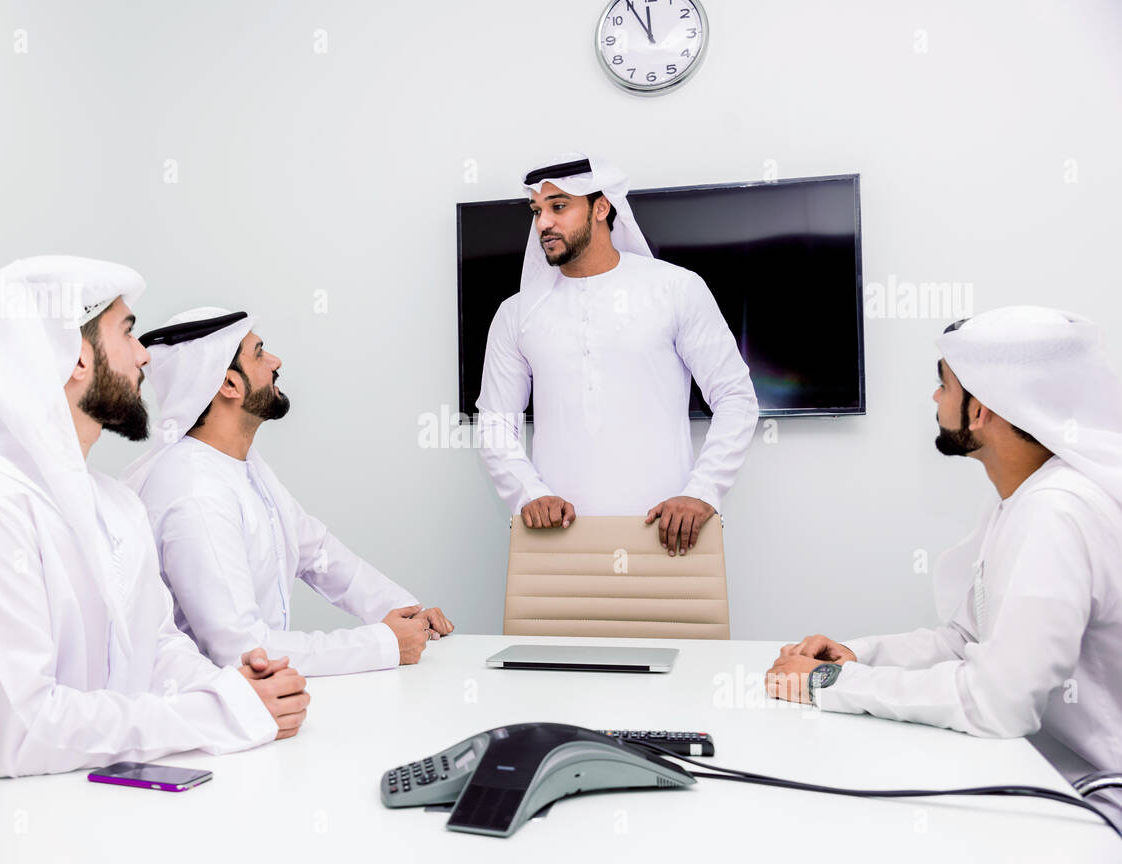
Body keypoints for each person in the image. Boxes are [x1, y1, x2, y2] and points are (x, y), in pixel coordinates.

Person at [0, 258, 308, 818]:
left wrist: (234, 687)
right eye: (128, 332)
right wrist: (222, 711)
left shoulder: (113, 503)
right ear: (76, 353)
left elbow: (156, 650)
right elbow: (12, 733)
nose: (144, 356)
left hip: (71, 807)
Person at [767, 306, 1122, 824]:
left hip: (1089, 810)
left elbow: (999, 703)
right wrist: (860, 658)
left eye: (945, 385)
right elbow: (964, 642)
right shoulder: (1024, 499)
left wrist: (829, 685)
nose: (935, 398)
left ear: (982, 410)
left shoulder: (1055, 512)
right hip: (1033, 778)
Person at [123, 307, 453, 676]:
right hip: (215, 713)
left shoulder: (242, 466)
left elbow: (318, 553)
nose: (276, 361)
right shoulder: (195, 492)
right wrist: (385, 644)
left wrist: (405, 612)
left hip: (266, 702)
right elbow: (243, 649)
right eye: (260, 353)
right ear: (229, 384)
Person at [476, 153, 759, 555]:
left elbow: (737, 398)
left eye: (559, 206)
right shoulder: (516, 313)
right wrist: (528, 495)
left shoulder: (676, 288)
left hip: (667, 532)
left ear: (601, 207)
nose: (543, 223)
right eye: (537, 210)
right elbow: (495, 421)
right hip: (555, 538)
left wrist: (702, 492)